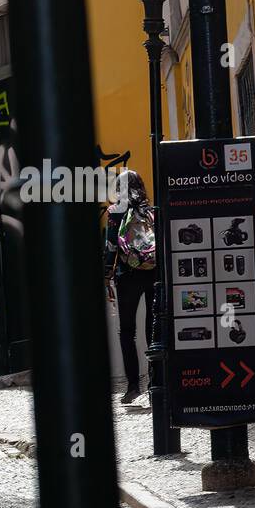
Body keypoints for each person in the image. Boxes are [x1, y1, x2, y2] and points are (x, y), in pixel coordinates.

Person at [103, 168, 157, 404]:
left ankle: (133, 386)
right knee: (153, 330)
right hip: (154, 273)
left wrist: (107, 276)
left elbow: (111, 248)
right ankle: (156, 383)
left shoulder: (115, 212)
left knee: (127, 332)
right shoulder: (151, 211)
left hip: (127, 276)